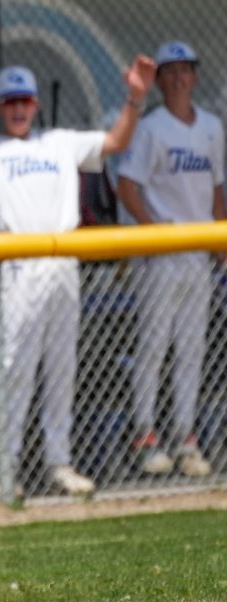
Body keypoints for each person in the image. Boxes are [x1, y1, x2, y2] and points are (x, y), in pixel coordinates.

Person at [0, 58, 156, 496]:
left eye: (24, 100)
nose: (17, 109)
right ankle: (5, 469)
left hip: (64, 262)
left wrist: (136, 98)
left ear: (36, 103)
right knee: (16, 368)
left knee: (62, 368)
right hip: (20, 263)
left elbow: (115, 141)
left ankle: (58, 460)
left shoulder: (60, 141)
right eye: (9, 102)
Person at [117, 41, 226, 478]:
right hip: (162, 254)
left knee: (191, 348)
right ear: (159, 79)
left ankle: (185, 436)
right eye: (171, 71)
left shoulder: (213, 128)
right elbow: (127, 186)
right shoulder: (150, 127)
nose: (179, 77)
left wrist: (220, 241)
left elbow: (218, 190)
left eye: (186, 69)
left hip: (198, 251)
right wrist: (152, 229)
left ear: (195, 76)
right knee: (153, 345)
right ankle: (145, 434)